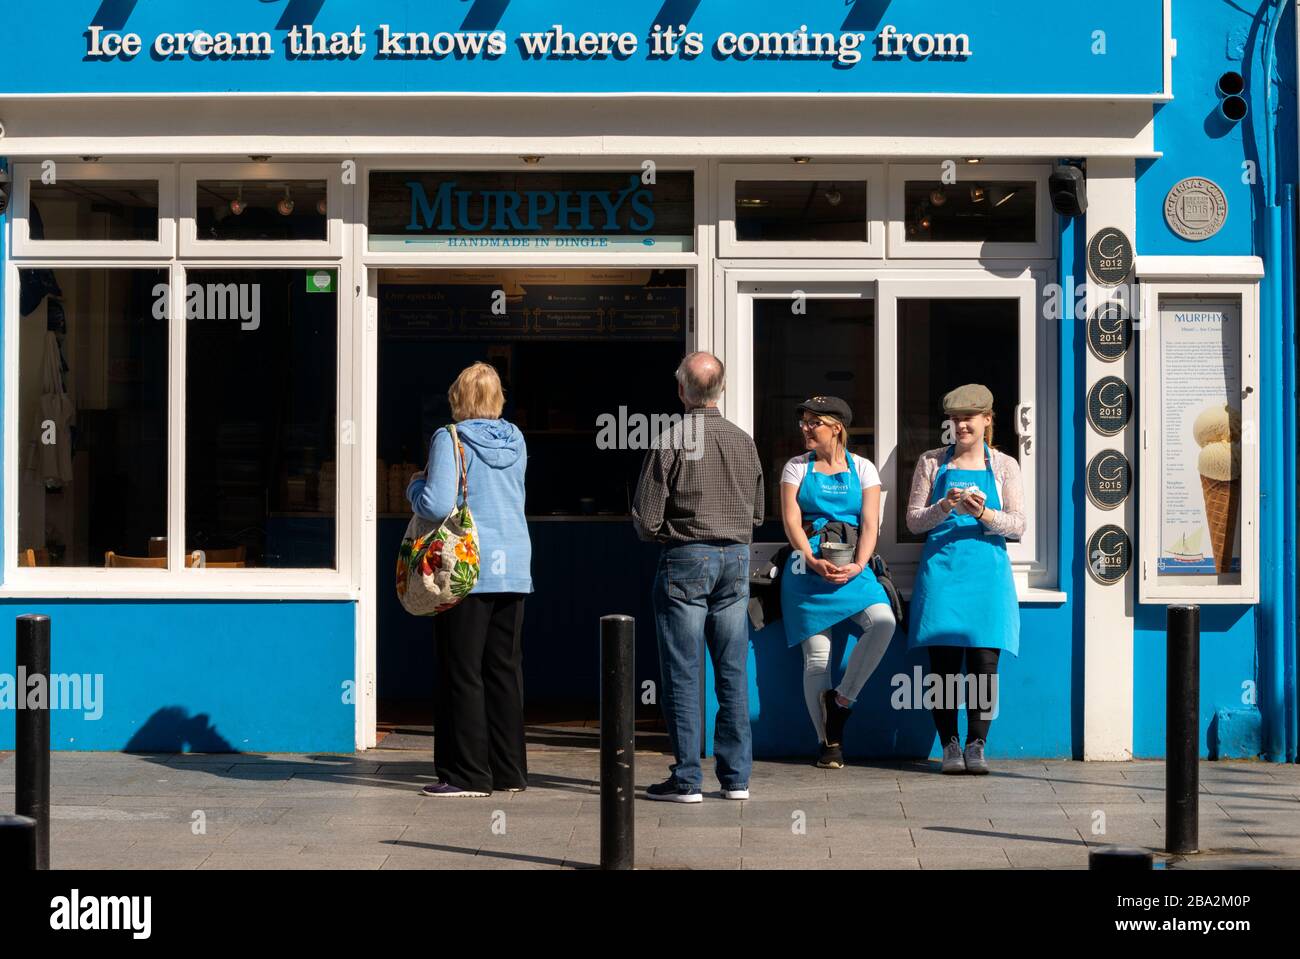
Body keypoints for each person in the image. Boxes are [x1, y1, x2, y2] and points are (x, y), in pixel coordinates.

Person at [632, 352, 764, 803]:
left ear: (683, 391)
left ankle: (687, 777)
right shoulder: (745, 442)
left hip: (686, 559)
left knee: (682, 672)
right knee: (732, 671)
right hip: (737, 561)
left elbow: (646, 520)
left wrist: (672, 531)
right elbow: (759, 512)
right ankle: (736, 778)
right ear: (720, 389)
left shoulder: (671, 440)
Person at [407, 361, 533, 797]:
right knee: (503, 669)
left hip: (467, 566)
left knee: (461, 671)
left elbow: (437, 503)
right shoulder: (516, 438)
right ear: (497, 398)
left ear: (458, 397)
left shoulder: (451, 437)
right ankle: (509, 771)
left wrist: (413, 487)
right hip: (514, 564)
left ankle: (466, 775)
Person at [905, 384, 1023, 775]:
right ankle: (949, 745)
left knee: (985, 663)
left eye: (969, 419)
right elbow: (913, 521)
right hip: (942, 572)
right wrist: (944, 505)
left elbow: (1018, 525)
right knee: (943, 665)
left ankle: (977, 744)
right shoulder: (932, 463)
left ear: (988, 419)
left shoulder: (1005, 466)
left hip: (987, 575)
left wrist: (983, 514)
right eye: (955, 420)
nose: (961, 426)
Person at [780, 396, 896, 769]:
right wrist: (811, 560)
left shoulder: (863, 469)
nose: (806, 429)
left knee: (883, 621)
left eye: (814, 422)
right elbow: (792, 522)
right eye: (804, 422)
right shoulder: (796, 468)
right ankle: (828, 744)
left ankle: (841, 702)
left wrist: (860, 564)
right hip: (806, 569)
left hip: (852, 566)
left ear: (836, 427)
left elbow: (870, 524)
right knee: (817, 659)